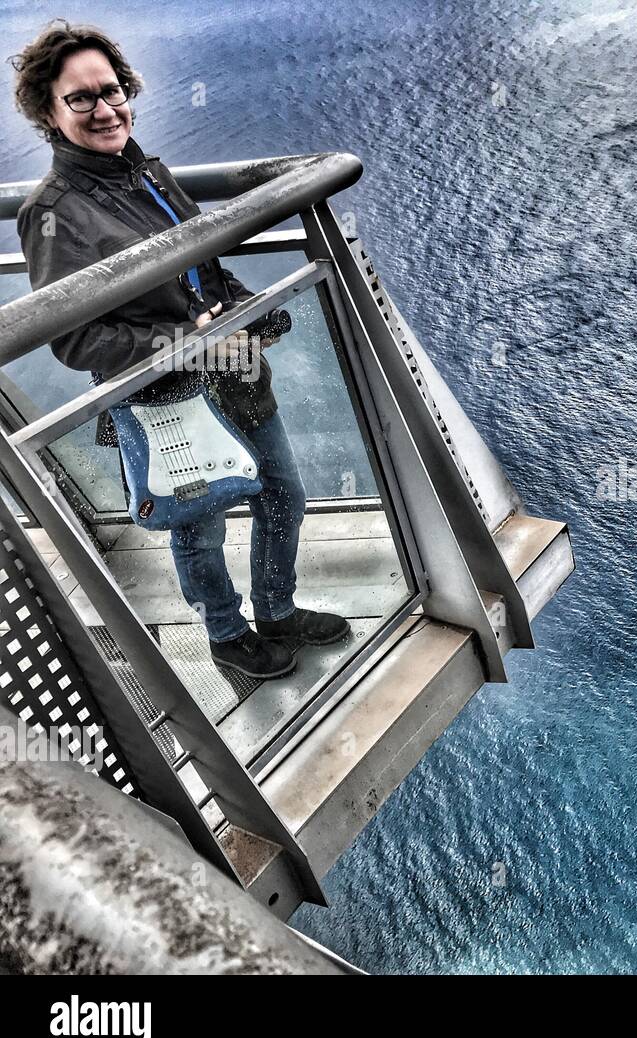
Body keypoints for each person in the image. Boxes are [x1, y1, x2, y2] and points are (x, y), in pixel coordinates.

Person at [10, 19, 349, 679]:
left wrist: (250, 311)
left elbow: (205, 264)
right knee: (200, 521)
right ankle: (226, 633)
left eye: (112, 91)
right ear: (48, 113)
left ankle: (277, 610)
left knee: (285, 494)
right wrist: (186, 343)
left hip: (235, 372)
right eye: (81, 98)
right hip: (166, 394)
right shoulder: (51, 211)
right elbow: (77, 339)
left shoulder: (150, 170)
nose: (105, 109)